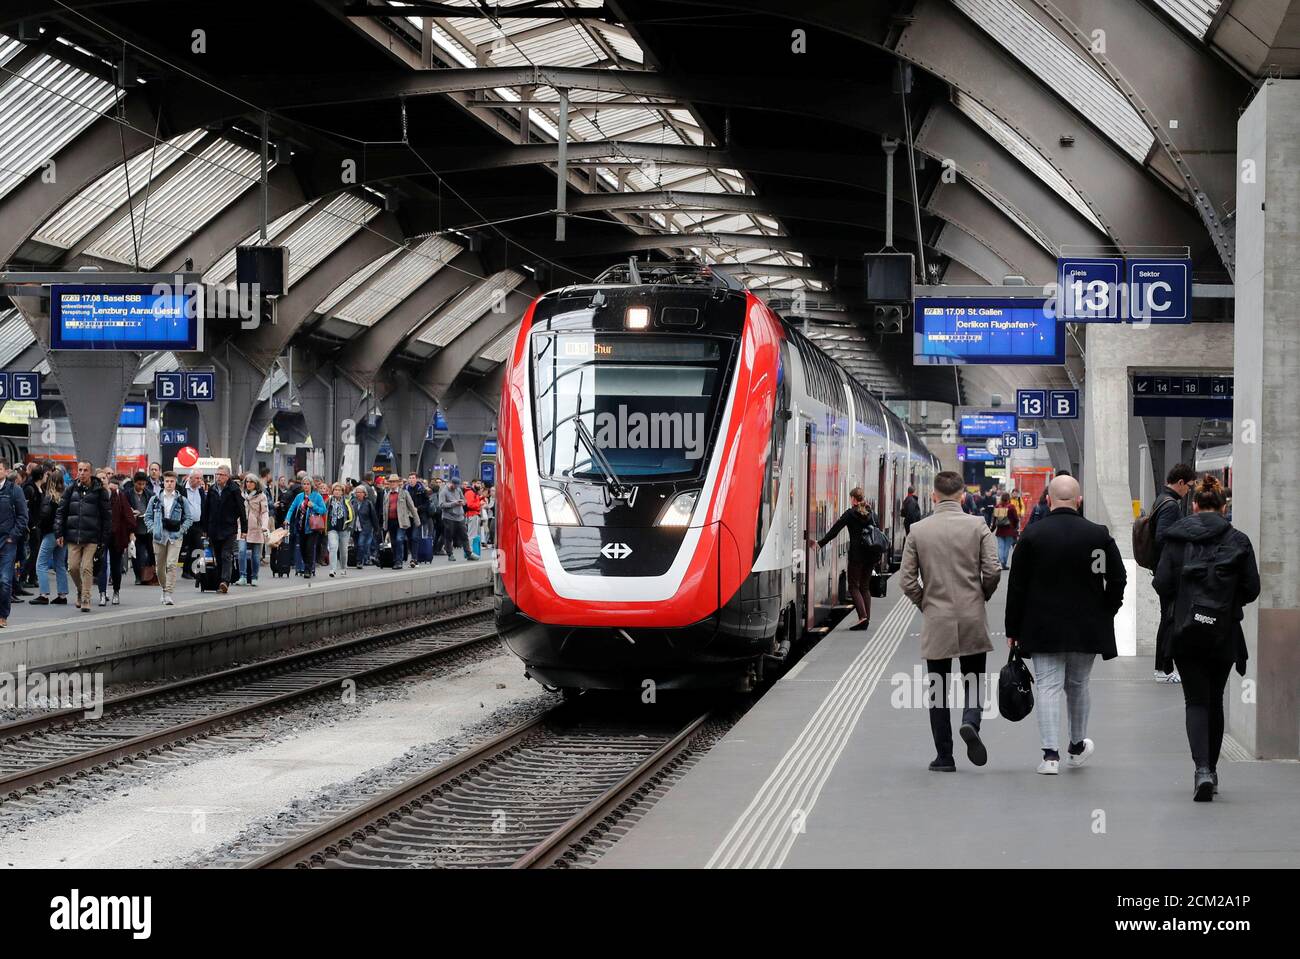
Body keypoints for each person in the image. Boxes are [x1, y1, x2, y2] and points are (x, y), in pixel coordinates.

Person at [1005, 475, 1126, 775]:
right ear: (1079, 500)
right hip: (1087, 626)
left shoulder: (1032, 536)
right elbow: (1118, 578)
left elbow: (1016, 587)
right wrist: (1106, 610)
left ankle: (1050, 757)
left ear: (1048, 500)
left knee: (1047, 687)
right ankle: (1076, 747)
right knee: (1078, 686)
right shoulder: (1098, 535)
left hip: (1042, 626)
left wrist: (1012, 629)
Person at [1153, 474, 1260, 802]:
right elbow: (1252, 588)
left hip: (1186, 632)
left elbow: (1162, 583)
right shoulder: (1238, 540)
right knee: (1215, 699)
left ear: (1194, 504)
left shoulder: (1176, 540)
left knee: (1195, 700)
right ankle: (1212, 770)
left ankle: (1201, 769)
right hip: (1223, 633)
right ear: (1224, 505)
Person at [899, 471, 1001, 772]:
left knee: (938, 689)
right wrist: (982, 594)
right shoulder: (978, 525)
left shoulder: (918, 530)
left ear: (933, 496)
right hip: (971, 615)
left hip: (937, 618)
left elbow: (906, 580)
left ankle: (944, 757)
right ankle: (970, 720)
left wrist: (925, 603)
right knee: (973, 678)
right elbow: (993, 570)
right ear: (963, 496)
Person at [1150, 463, 1196, 684]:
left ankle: (1163, 667)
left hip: (1163, 571)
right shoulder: (1170, 506)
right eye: (1189, 486)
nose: (1189, 490)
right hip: (1168, 573)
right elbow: (1162, 537)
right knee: (1169, 619)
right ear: (1180, 483)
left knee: (1167, 618)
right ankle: (1163, 669)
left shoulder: (1162, 499)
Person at [816, 487, 881, 631]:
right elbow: (878, 534)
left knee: (853, 586)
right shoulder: (873, 514)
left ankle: (863, 617)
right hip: (870, 556)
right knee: (865, 587)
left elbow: (835, 531)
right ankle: (866, 618)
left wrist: (821, 543)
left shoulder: (850, 514)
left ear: (853, 499)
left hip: (857, 557)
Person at [55, 462, 110, 613]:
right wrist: (58, 533)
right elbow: (61, 511)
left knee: (86, 567)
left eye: (85, 470)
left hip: (92, 537)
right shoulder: (71, 488)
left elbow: (107, 517)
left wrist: (104, 539)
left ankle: (86, 598)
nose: (82, 473)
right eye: (80, 470)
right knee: (72, 567)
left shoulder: (100, 491)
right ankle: (80, 590)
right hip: (73, 536)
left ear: (90, 472)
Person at [144, 470, 193, 605]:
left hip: (175, 536)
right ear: (163, 482)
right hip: (159, 536)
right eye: (167, 481)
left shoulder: (181, 500)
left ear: (175, 483)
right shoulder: (155, 499)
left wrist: (182, 530)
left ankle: (168, 593)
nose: (169, 484)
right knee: (159, 567)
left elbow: (189, 518)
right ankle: (164, 588)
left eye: (172, 481)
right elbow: (147, 516)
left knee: (171, 565)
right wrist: (153, 529)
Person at [202, 465, 246, 593]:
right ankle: (220, 580)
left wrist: (244, 529)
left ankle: (225, 581)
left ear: (227, 476)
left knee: (226, 554)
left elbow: (241, 509)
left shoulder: (234, 489)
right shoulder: (212, 489)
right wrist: (205, 527)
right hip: (214, 528)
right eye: (217, 474)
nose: (218, 477)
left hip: (229, 528)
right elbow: (206, 509)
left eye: (221, 475)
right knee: (218, 556)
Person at [31, 471, 69, 607]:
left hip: (51, 534)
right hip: (63, 535)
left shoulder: (49, 498)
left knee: (40, 563)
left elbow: (45, 516)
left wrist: (39, 525)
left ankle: (43, 594)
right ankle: (62, 595)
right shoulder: (65, 497)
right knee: (60, 564)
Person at [97, 474, 135, 606]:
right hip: (101, 535)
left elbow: (128, 516)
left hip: (116, 535)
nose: (102, 481)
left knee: (115, 566)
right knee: (102, 565)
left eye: (104, 478)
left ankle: (116, 592)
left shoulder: (119, 496)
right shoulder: (96, 496)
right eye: (99, 478)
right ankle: (102, 593)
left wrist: (130, 533)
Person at [0, 459, 29, 628]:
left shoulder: (14, 490)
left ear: (5, 471)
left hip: (7, 542)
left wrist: (13, 536)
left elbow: (23, 516)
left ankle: (3, 615)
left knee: (4, 580)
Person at [285, 477, 326, 578]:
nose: (306, 486)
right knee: (302, 548)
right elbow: (292, 508)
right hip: (300, 526)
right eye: (304, 484)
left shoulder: (317, 496)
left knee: (309, 548)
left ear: (311, 485)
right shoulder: (299, 496)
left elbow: (323, 510)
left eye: (308, 484)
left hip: (312, 527)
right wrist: (287, 519)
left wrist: (314, 506)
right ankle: (307, 564)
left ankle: (308, 569)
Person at [378, 476, 419, 567]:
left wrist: (417, 520)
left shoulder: (404, 493)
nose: (392, 483)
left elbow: (412, 507)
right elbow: (384, 510)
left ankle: (399, 561)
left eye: (394, 482)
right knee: (393, 542)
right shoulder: (387, 494)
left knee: (399, 539)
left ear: (398, 483)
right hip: (390, 521)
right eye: (391, 482)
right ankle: (395, 559)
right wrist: (384, 523)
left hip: (401, 521)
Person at [238, 474, 270, 586]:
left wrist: (264, 526)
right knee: (241, 551)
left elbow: (265, 513)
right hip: (242, 528)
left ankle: (254, 576)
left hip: (257, 528)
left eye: (251, 482)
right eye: (247, 481)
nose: (249, 484)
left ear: (256, 484)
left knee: (256, 556)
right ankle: (242, 576)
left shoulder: (262, 496)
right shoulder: (241, 495)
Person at [124, 471, 155, 585]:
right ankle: (138, 576)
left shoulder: (150, 494)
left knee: (152, 553)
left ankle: (150, 575)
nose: (141, 486)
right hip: (135, 529)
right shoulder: (127, 494)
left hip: (148, 528)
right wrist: (131, 512)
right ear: (134, 483)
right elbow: (124, 508)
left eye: (143, 484)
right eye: (139, 484)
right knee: (137, 554)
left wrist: (147, 513)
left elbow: (155, 509)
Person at [438, 476, 476, 562]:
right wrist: (454, 503)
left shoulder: (458, 490)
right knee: (449, 537)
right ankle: (450, 554)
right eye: (455, 485)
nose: (456, 487)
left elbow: (464, 500)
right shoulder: (443, 492)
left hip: (460, 517)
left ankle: (468, 553)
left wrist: (463, 502)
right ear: (451, 483)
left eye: (457, 486)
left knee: (464, 536)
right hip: (448, 517)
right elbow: (441, 505)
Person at [19, 464, 44, 591]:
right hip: (32, 525)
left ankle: (32, 578)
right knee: (34, 552)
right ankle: (23, 577)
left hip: (38, 524)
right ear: (40, 476)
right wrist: (31, 525)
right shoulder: (29, 489)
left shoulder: (39, 488)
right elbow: (26, 509)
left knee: (37, 551)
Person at [180, 472, 206, 580]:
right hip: (185, 523)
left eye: (200, 478)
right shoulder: (182, 490)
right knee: (182, 547)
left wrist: (204, 525)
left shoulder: (200, 490)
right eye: (197, 478)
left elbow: (203, 506)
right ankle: (173, 569)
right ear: (190, 478)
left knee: (198, 547)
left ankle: (194, 571)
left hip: (197, 524)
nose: (199, 480)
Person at [326, 483, 354, 578]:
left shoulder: (346, 501)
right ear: (333, 491)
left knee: (343, 550)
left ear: (342, 492)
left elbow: (352, 514)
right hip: (332, 528)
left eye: (339, 490)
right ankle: (333, 570)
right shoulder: (329, 501)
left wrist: (349, 526)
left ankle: (343, 568)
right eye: (335, 490)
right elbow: (325, 513)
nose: (337, 492)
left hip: (344, 529)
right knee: (333, 547)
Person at [351, 484, 378, 566]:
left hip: (365, 527)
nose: (358, 494)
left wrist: (376, 528)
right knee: (356, 546)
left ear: (364, 493)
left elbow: (373, 516)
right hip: (355, 528)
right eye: (356, 492)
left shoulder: (368, 503)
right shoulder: (353, 502)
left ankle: (360, 561)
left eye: (360, 492)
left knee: (361, 543)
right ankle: (362, 559)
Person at [992, 492, 1019, 569]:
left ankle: (1001, 562)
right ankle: (1004, 563)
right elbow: (1016, 519)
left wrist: (992, 529)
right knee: (1007, 547)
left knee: (1000, 547)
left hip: (1000, 531)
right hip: (1009, 531)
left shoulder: (997, 506)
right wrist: (1015, 527)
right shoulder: (1011, 507)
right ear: (1008, 498)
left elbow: (994, 520)